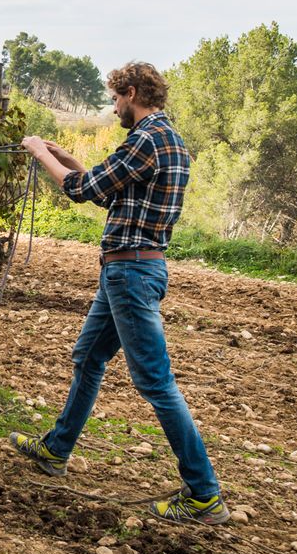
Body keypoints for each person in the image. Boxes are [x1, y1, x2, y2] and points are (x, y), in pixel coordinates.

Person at [12, 61, 228, 525]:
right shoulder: (169, 140)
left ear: (132, 92)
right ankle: (55, 450)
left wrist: (38, 153)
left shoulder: (145, 138)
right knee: (88, 359)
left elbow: (79, 190)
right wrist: (69, 157)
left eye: (115, 99)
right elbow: (113, 193)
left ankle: (204, 495)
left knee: (155, 383)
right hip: (130, 271)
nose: (114, 108)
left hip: (130, 274)